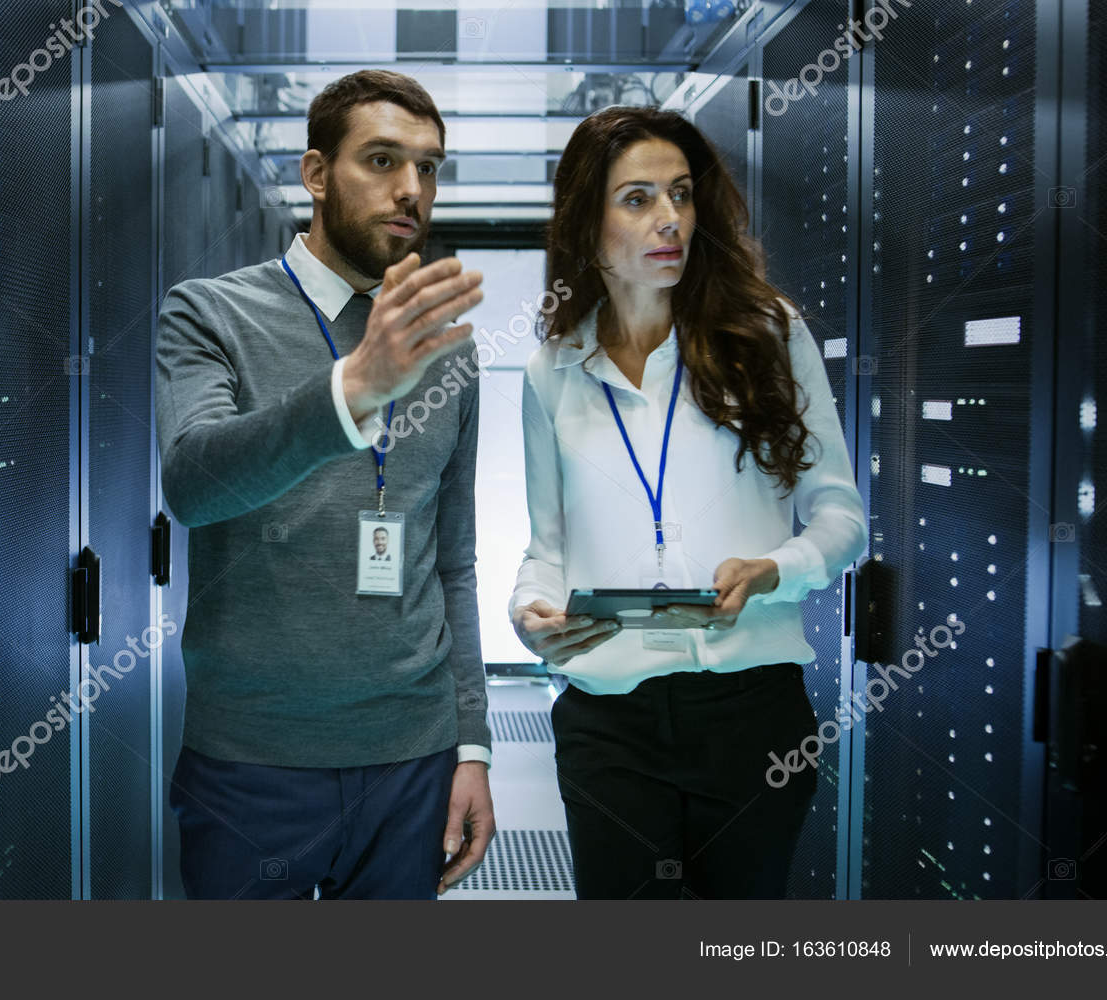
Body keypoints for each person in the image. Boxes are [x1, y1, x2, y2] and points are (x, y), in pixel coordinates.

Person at [508, 106, 868, 899]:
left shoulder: (768, 335)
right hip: (610, 718)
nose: (669, 218)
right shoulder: (554, 371)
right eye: (637, 199)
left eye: (680, 193)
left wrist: (777, 569)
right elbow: (547, 547)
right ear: (586, 222)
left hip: (751, 713)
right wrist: (529, 613)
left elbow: (842, 519)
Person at [155, 70, 494, 899]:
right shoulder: (209, 314)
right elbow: (194, 483)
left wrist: (472, 746)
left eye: (428, 167)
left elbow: (453, 563)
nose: (411, 188)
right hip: (251, 762)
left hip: (413, 757)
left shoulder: (444, 349)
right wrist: (352, 389)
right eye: (381, 160)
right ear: (315, 174)